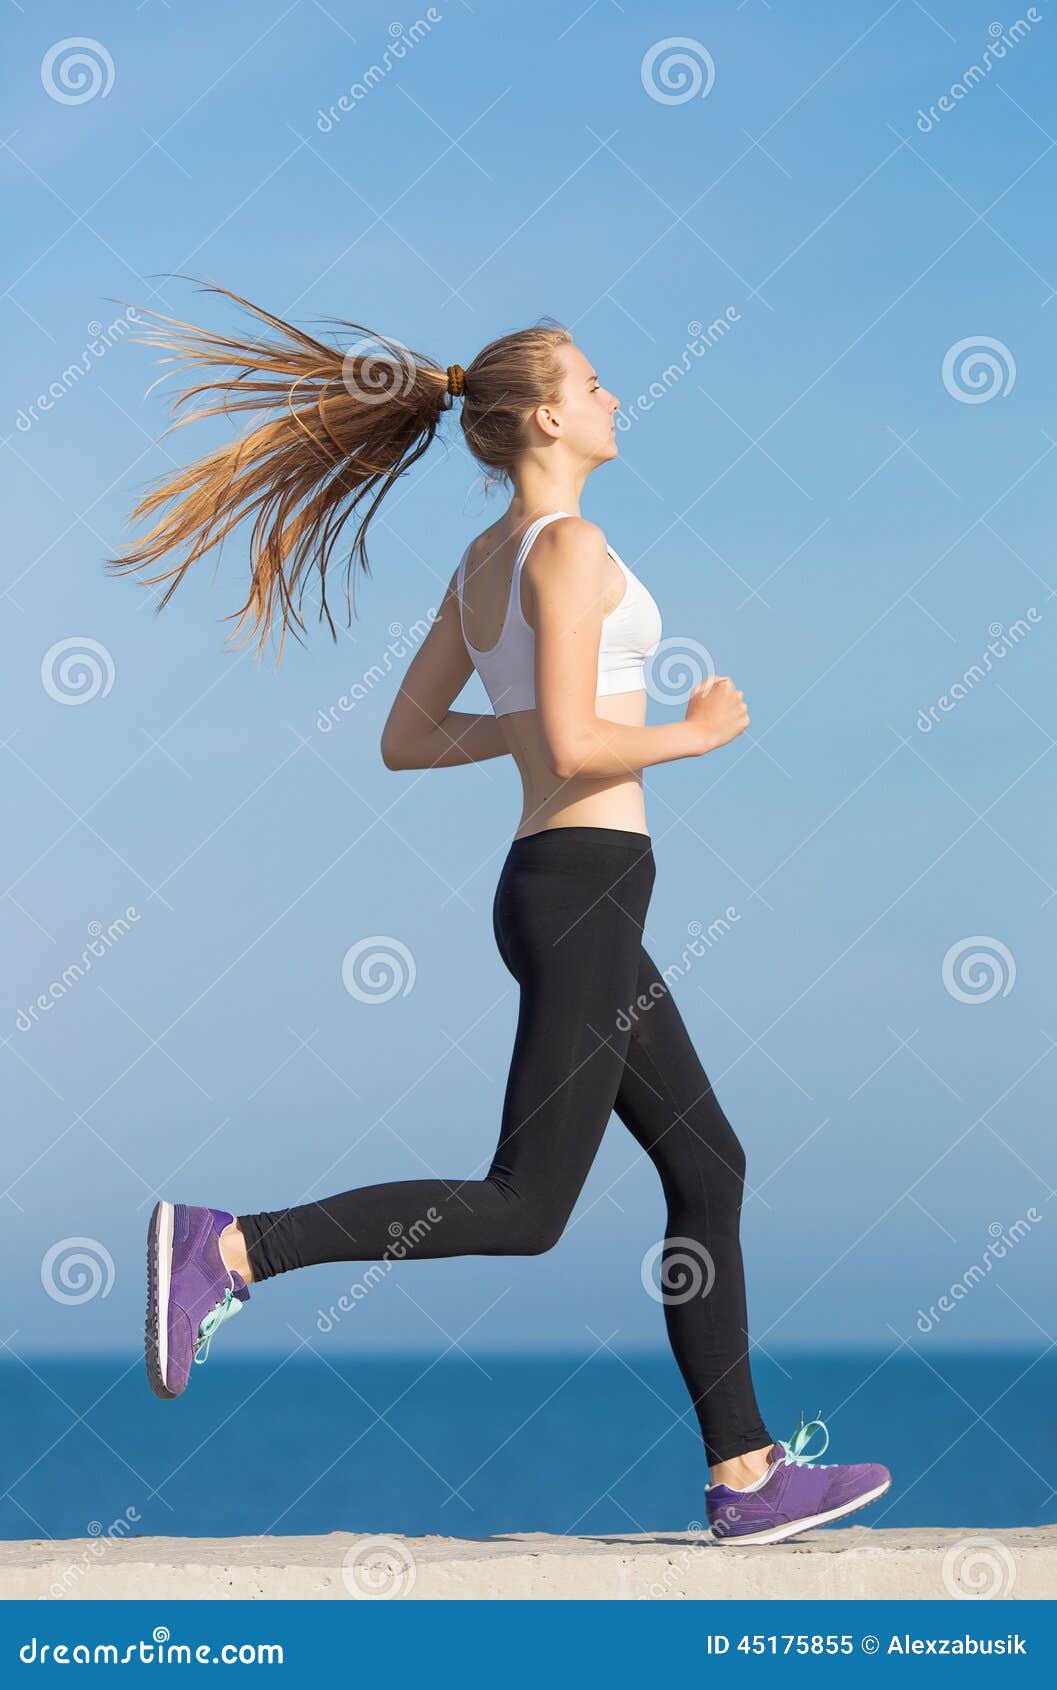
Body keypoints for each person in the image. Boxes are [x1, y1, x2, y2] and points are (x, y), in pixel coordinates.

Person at [114, 287, 890, 1543]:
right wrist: (691, 733)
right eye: (592, 383)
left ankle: (746, 1473)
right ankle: (232, 1245)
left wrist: (534, 731)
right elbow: (577, 746)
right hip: (580, 888)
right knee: (527, 1206)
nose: (613, 396)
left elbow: (409, 737)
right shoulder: (569, 550)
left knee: (708, 1165)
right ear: (543, 419)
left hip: (568, 890)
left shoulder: (485, 564)